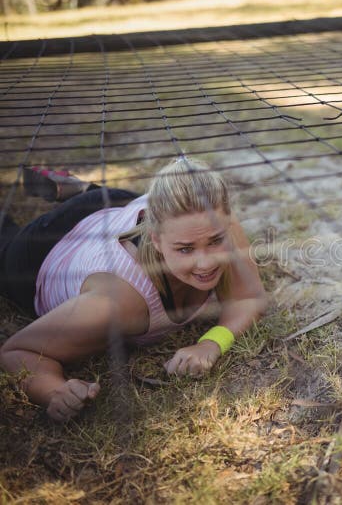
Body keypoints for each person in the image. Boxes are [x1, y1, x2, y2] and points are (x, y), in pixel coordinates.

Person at [0, 157, 269, 422]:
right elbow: (17, 351)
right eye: (185, 249)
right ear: (156, 240)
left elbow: (249, 298)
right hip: (42, 250)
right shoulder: (116, 304)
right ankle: (78, 195)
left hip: (117, 206)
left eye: (215, 241)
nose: (206, 262)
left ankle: (84, 192)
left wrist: (211, 343)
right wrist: (53, 391)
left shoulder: (210, 217)